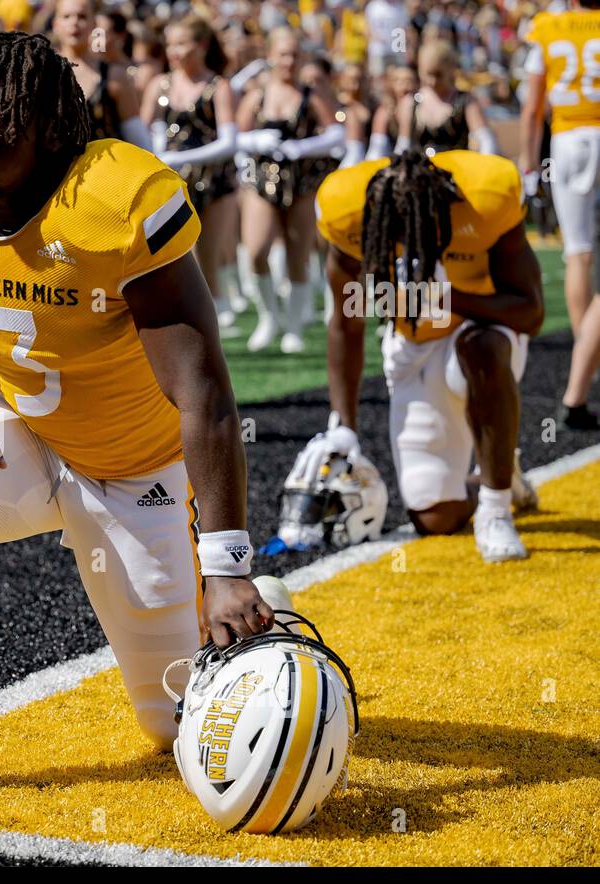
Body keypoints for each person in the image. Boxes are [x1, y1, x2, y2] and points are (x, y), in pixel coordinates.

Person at [0, 31, 273, 809]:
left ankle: (235, 599)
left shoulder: (112, 200)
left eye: (0, 115)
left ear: (51, 129)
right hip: (35, 446)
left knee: (173, 725)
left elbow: (205, 389)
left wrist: (228, 564)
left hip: (138, 475)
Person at [315, 149, 542, 563]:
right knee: (435, 515)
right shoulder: (348, 210)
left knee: (481, 346)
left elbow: (530, 311)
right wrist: (342, 425)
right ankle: (501, 475)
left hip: (486, 341)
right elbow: (346, 323)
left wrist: (447, 298)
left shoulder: (486, 196)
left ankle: (496, 509)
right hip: (413, 350)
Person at [236, 28, 344, 353]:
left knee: (299, 256)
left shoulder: (312, 95)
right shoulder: (257, 95)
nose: (289, 61)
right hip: (262, 180)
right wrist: (254, 140)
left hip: (302, 182)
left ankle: (294, 326)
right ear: (271, 56)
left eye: (295, 55)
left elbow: (337, 133)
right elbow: (233, 135)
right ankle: (270, 317)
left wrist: (304, 147)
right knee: (256, 251)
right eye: (283, 54)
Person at [520, 0, 600, 430]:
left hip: (568, 140)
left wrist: (529, 164)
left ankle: (585, 354)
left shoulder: (547, 26)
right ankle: (588, 358)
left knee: (578, 253)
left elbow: (533, 108)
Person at [145, 14, 239, 333]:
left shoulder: (218, 85)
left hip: (215, 181)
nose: (174, 51)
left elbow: (229, 142)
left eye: (181, 44)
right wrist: (159, 146)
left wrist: (179, 156)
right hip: (172, 184)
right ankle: (199, 317)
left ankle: (218, 313)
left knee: (208, 255)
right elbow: (145, 127)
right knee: (182, 256)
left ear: (201, 46)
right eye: (170, 44)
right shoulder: (161, 84)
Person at [51, 0, 151, 148]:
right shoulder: (44, 73)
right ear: (55, 24)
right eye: (66, 16)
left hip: (108, 168)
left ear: (94, 25)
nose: (74, 22)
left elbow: (141, 143)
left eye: (82, 16)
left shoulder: (114, 75)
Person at [396, 40, 496, 155]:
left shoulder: (465, 100)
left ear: (450, 70)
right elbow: (403, 145)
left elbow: (486, 141)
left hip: (456, 169)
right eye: (428, 74)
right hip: (422, 171)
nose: (433, 81)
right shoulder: (410, 102)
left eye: (438, 75)